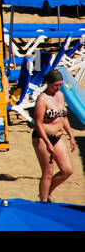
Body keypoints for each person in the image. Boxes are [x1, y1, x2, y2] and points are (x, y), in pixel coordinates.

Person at [32, 69, 76, 201]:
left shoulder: (60, 96)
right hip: (42, 137)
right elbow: (38, 124)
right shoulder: (42, 99)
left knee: (67, 170)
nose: (58, 87)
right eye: (56, 85)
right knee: (48, 172)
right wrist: (48, 143)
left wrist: (71, 135)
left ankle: (47, 192)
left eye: (60, 84)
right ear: (48, 83)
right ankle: (43, 202)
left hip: (57, 137)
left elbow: (63, 118)